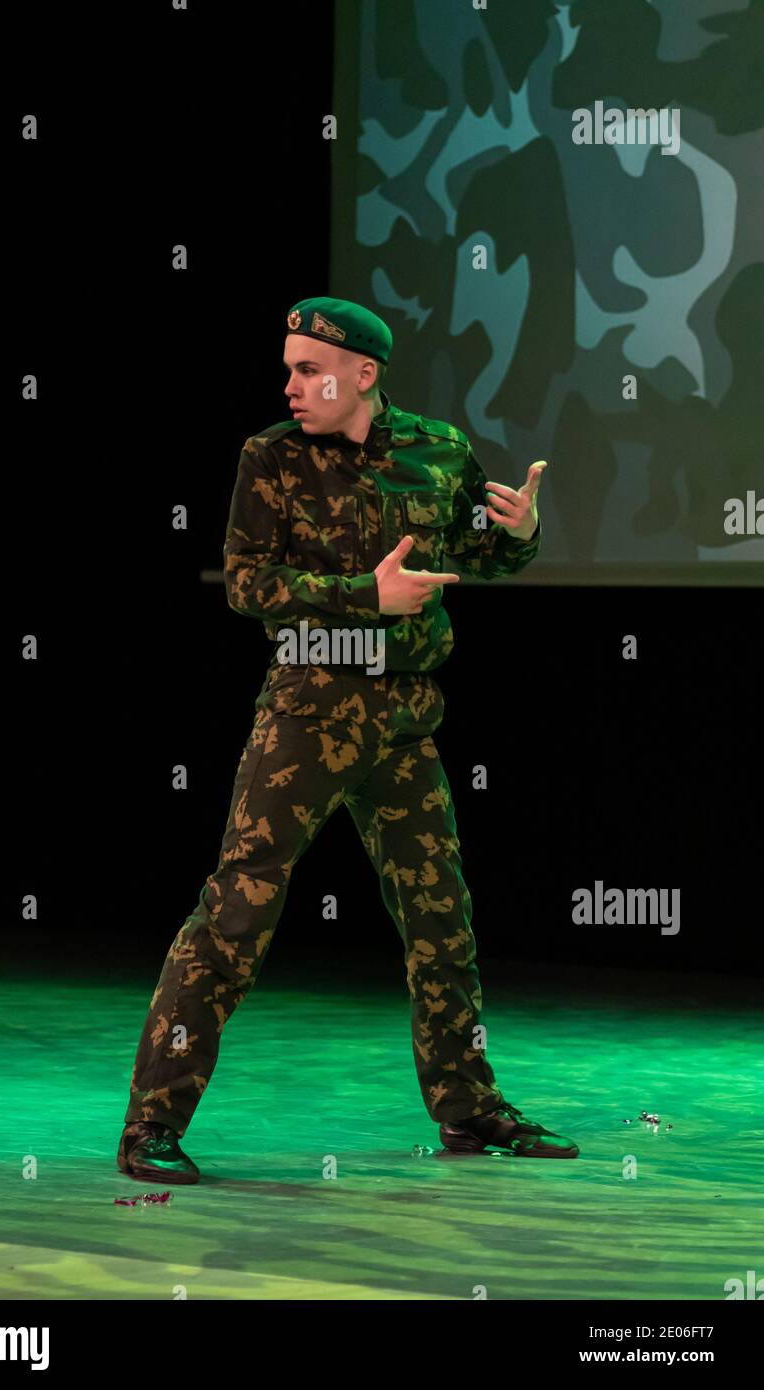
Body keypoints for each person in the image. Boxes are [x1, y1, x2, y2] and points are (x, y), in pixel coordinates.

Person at [116, 296, 578, 1184]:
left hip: (404, 716)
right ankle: (151, 1126)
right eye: (287, 367)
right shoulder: (270, 458)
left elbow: (470, 551)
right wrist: (363, 598)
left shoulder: (436, 450)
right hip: (308, 709)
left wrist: (517, 533)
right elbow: (246, 584)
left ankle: (468, 1108)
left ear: (363, 373)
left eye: (306, 368)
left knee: (442, 920)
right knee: (237, 911)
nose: (289, 384)